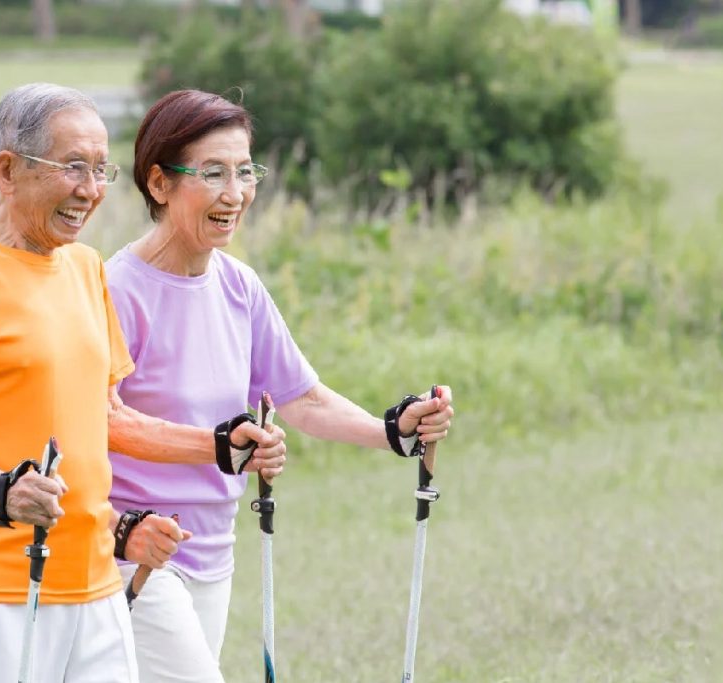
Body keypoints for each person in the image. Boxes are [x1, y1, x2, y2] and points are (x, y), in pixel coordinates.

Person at [0, 83, 286, 683]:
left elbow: (108, 418)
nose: (91, 189)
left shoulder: (84, 269)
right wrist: (2, 489)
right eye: (73, 167)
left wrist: (217, 445)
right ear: (8, 170)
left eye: (101, 169)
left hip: (96, 574)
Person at [104, 89, 456, 683]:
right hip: (134, 549)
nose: (234, 194)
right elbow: (99, 419)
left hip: (214, 548)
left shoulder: (239, 286)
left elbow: (302, 397)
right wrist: (215, 446)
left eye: (245, 172)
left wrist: (391, 431)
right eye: (212, 173)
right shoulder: (118, 289)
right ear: (159, 184)